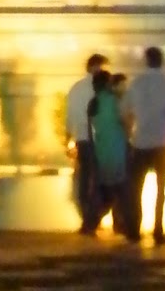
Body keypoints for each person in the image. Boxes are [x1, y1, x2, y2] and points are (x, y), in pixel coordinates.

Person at [122, 45, 165, 244]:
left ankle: (134, 230)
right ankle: (158, 229)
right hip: (162, 141)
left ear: (146, 61)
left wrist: (129, 130)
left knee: (136, 188)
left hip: (140, 141)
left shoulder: (136, 83)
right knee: (161, 188)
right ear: (161, 61)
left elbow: (124, 112)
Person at [66, 52, 108, 232]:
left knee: (84, 179)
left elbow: (69, 116)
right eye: (102, 67)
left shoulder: (76, 88)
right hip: (98, 140)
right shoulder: (100, 89)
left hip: (82, 139)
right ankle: (94, 218)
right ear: (95, 67)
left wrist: (68, 138)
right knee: (99, 180)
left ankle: (86, 218)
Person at [87, 67, 130, 237]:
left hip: (101, 150)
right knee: (119, 189)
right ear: (107, 84)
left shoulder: (93, 102)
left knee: (106, 188)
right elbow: (125, 122)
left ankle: (93, 222)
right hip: (118, 149)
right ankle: (117, 223)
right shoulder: (115, 100)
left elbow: (91, 130)